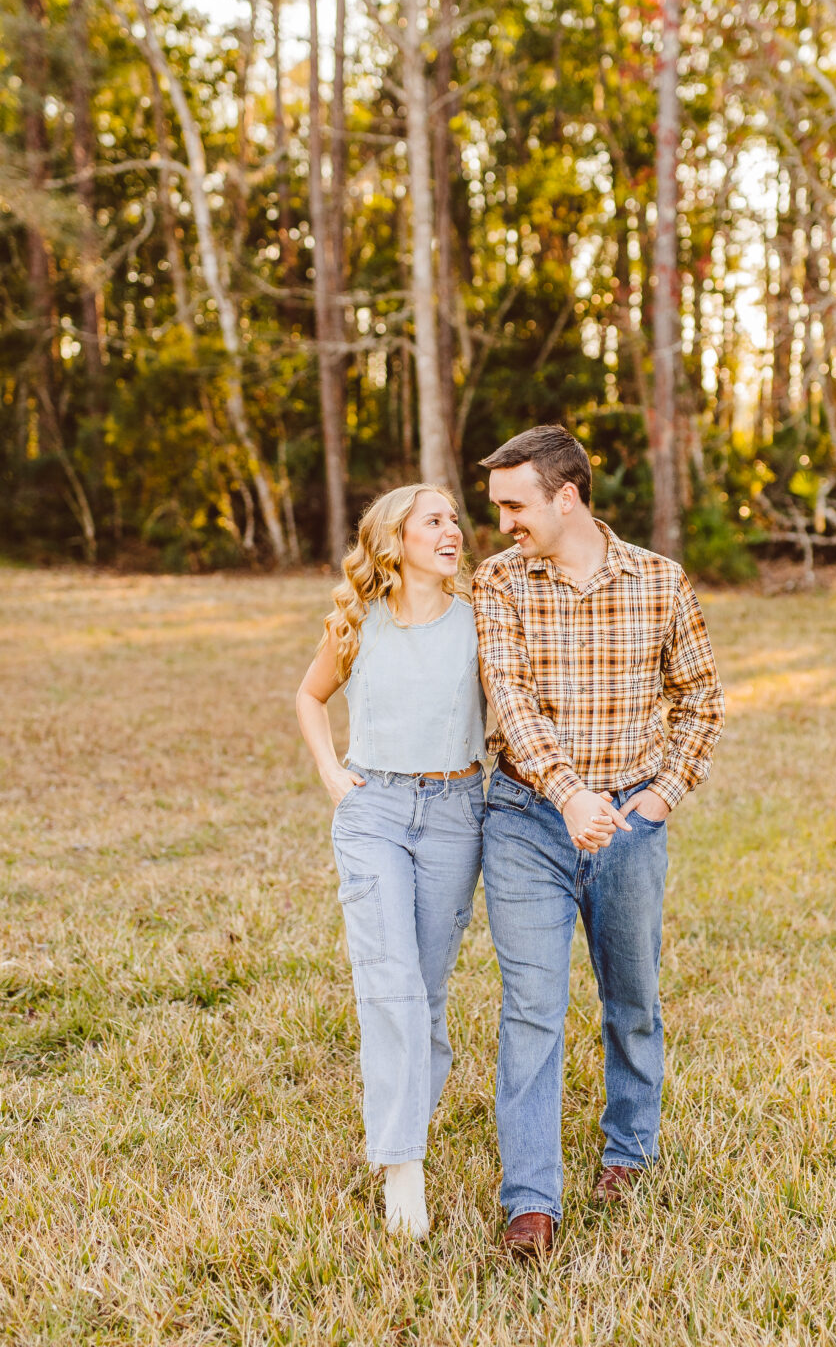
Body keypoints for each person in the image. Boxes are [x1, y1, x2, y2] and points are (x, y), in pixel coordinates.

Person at [472, 425, 725, 1257]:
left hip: (628, 825)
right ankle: (531, 1202)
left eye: (515, 505)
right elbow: (509, 702)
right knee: (533, 1010)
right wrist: (568, 793)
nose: (504, 521)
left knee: (633, 1000)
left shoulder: (659, 582)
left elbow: (700, 703)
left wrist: (657, 799)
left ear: (566, 495)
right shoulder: (499, 582)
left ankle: (630, 1152)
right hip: (525, 819)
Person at [295, 484, 486, 1239]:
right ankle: (403, 1166)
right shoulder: (359, 623)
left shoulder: (477, 624)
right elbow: (310, 698)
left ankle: (402, 1129)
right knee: (391, 987)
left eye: (454, 520)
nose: (454, 530)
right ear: (395, 539)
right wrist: (329, 773)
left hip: (455, 814)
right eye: (434, 520)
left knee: (427, 994)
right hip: (374, 813)